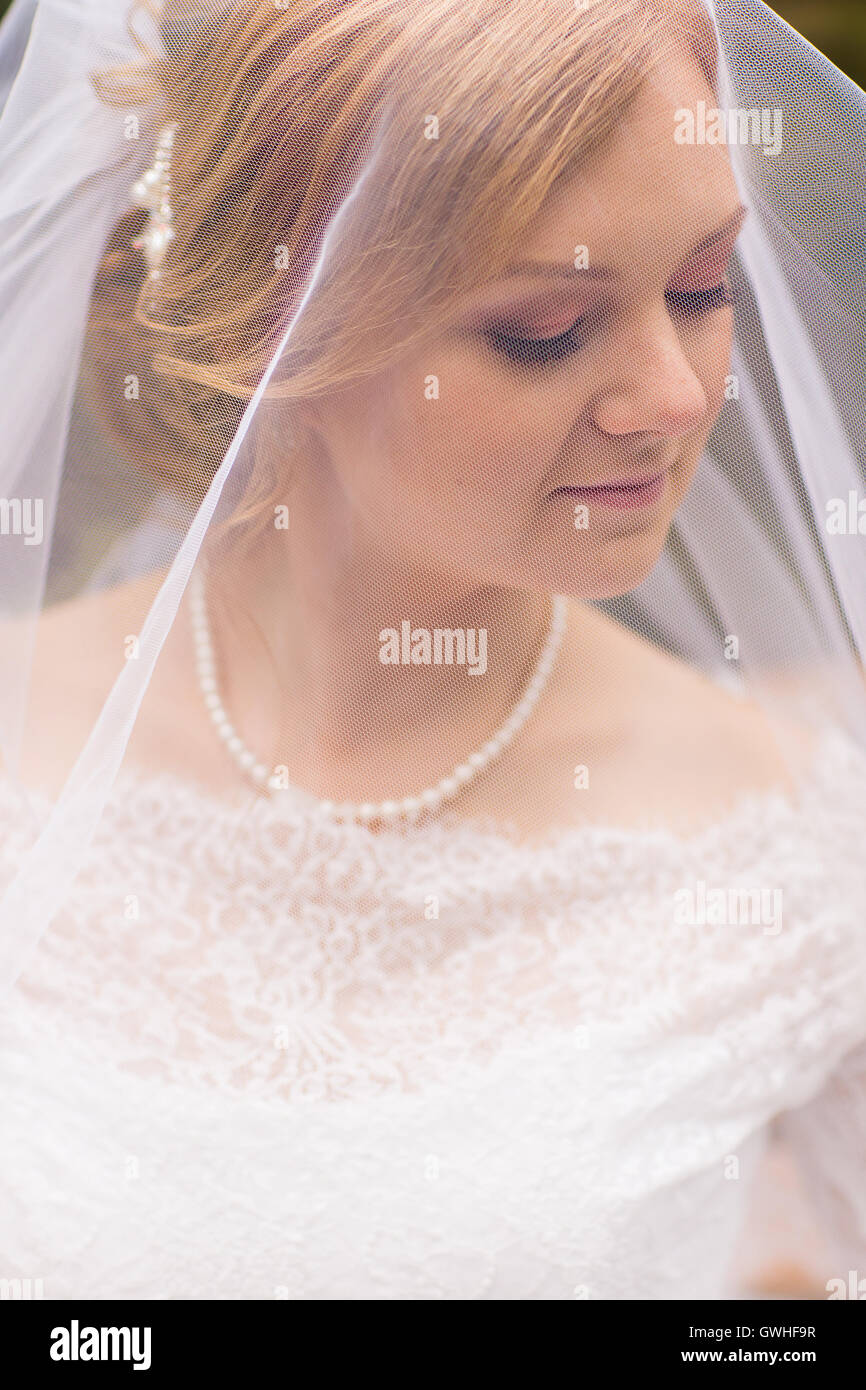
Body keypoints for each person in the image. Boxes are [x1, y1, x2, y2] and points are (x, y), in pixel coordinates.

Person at [0, 0, 863, 1300]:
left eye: (700, 288)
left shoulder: (787, 846)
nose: (679, 397)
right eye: (545, 330)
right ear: (273, 328)